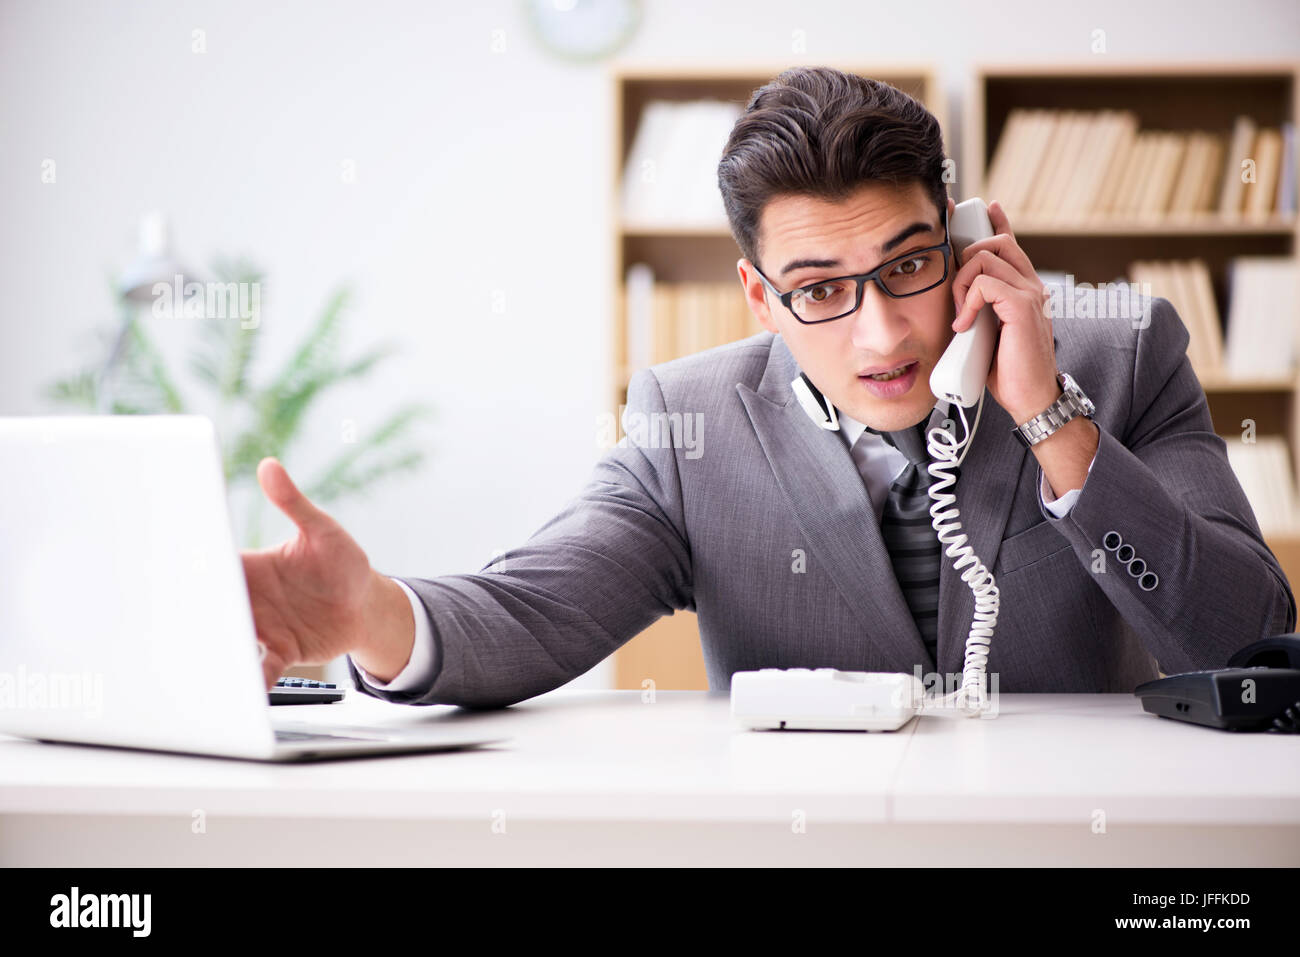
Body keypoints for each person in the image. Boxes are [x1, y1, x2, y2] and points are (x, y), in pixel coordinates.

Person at [241, 66, 1295, 709]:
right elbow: (533, 611)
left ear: (973, 241)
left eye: (908, 266)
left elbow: (1245, 646)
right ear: (757, 296)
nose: (880, 331)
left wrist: (1049, 417)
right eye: (820, 289)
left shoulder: (1125, 353)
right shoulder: (688, 422)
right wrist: (369, 615)